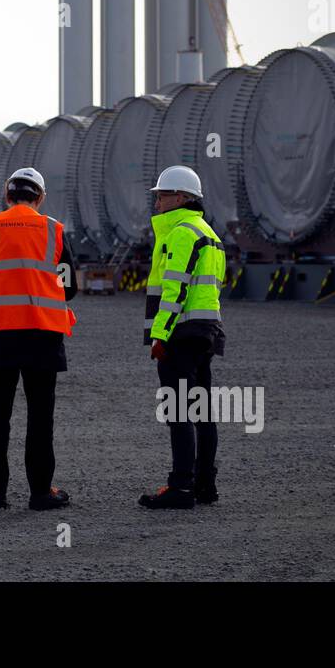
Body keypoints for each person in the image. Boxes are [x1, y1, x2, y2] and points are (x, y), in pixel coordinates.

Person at [0, 167, 78, 511]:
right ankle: (41, 493)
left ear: (7, 195)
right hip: (43, 336)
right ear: (40, 197)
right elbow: (69, 287)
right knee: (41, 419)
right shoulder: (54, 231)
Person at [138, 165, 227, 510]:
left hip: (181, 333)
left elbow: (173, 290)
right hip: (206, 331)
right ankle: (205, 484)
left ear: (182, 198)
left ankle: (181, 487)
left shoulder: (180, 232)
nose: (157, 201)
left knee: (178, 411)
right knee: (202, 410)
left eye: (162, 194)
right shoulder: (210, 234)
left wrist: (159, 336)